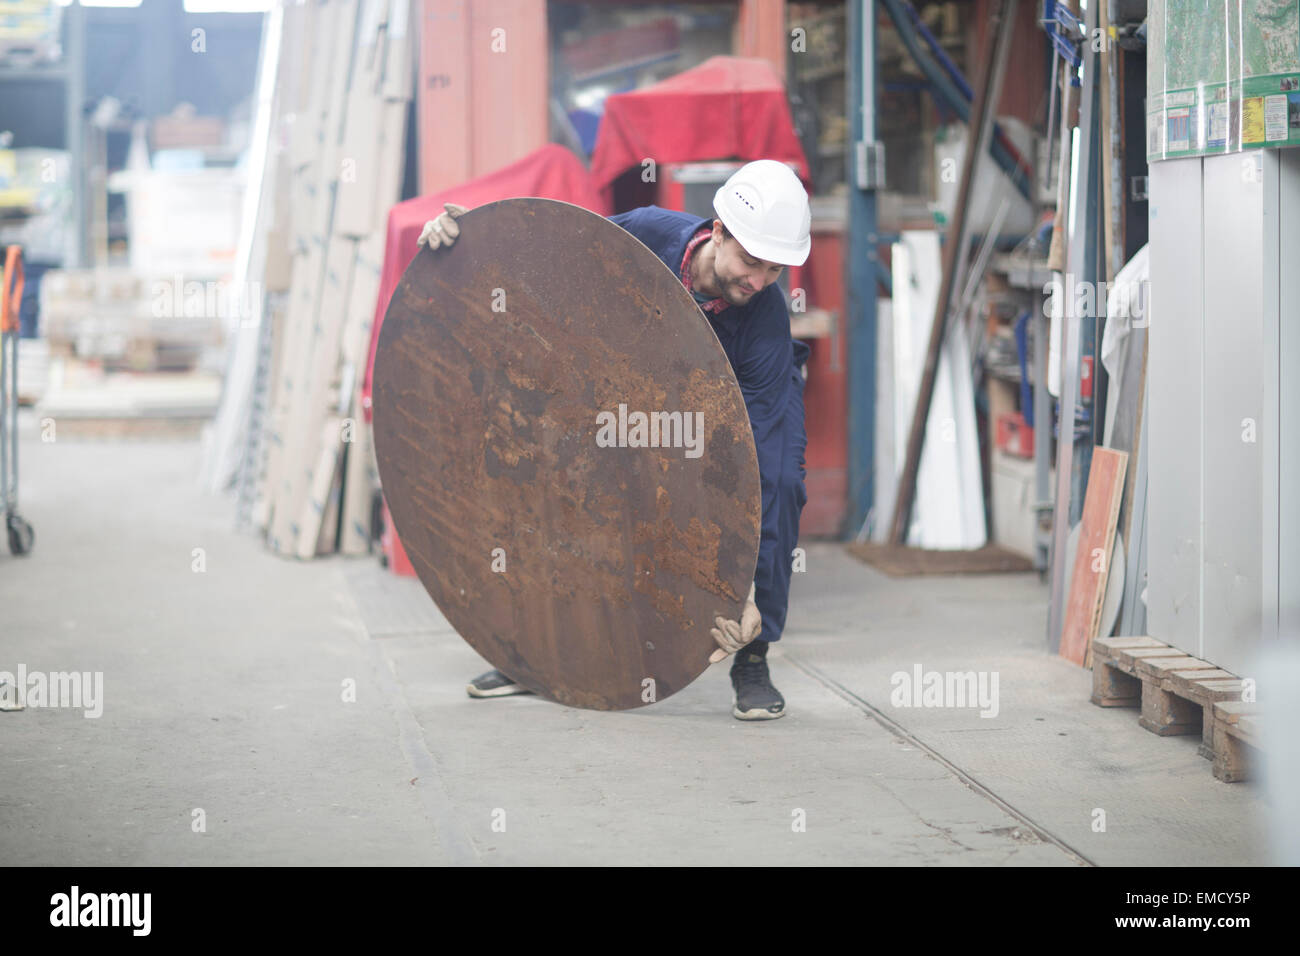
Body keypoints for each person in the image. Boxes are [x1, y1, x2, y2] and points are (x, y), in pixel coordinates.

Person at [417, 160, 810, 720]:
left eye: (775, 269)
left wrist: (741, 587)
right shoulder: (645, 233)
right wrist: (469, 238)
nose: (760, 280)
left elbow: (756, 458)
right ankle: (537, 650)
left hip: (741, 397)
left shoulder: (764, 320)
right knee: (568, 463)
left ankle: (753, 654)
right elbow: (553, 255)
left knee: (783, 481)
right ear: (719, 231)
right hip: (644, 374)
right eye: (751, 261)